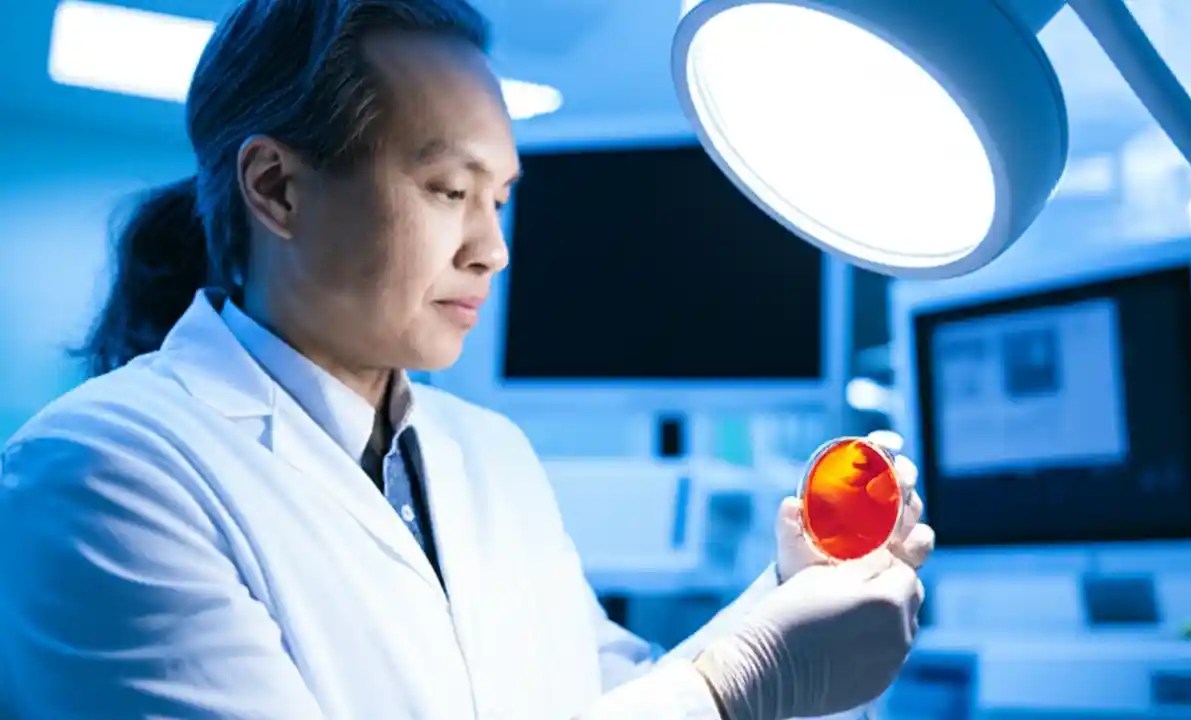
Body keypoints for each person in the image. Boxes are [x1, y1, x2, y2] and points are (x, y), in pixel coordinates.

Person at [0, 1, 935, 718]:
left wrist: (789, 602)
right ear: (278, 189)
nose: (493, 249)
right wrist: (739, 683)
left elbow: (615, 697)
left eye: (501, 198)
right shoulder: (97, 471)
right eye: (450, 189)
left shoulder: (487, 455)